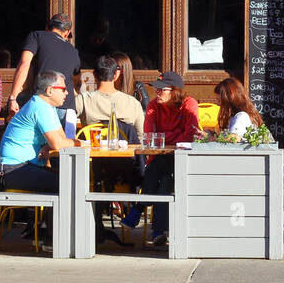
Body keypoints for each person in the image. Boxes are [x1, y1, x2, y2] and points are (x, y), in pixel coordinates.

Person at [139, 71, 200, 247]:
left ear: (175, 91)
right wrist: (175, 135)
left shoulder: (189, 104)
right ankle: (158, 231)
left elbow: (189, 135)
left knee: (160, 171)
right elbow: (149, 137)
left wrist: (163, 137)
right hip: (161, 159)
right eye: (156, 89)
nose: (157, 93)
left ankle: (139, 210)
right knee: (164, 178)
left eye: (161, 90)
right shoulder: (153, 105)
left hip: (182, 160)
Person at [0, 70, 76, 193]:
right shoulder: (40, 107)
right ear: (50, 90)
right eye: (63, 89)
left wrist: (47, 145)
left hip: (24, 167)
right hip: (14, 170)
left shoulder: (47, 107)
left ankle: (53, 213)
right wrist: (81, 143)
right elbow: (58, 144)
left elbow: (61, 138)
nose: (67, 93)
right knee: (69, 183)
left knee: (73, 179)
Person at [7, 14, 81, 120]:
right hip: (68, 109)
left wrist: (13, 98)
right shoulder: (73, 51)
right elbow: (77, 82)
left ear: (47, 27)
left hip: (44, 103)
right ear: (67, 33)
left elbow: (24, 64)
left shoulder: (37, 36)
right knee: (65, 137)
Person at [77, 55, 145, 143]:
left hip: (93, 154)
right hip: (125, 155)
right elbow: (142, 136)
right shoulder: (133, 103)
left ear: (94, 75)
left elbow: (65, 121)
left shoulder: (83, 100)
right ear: (116, 75)